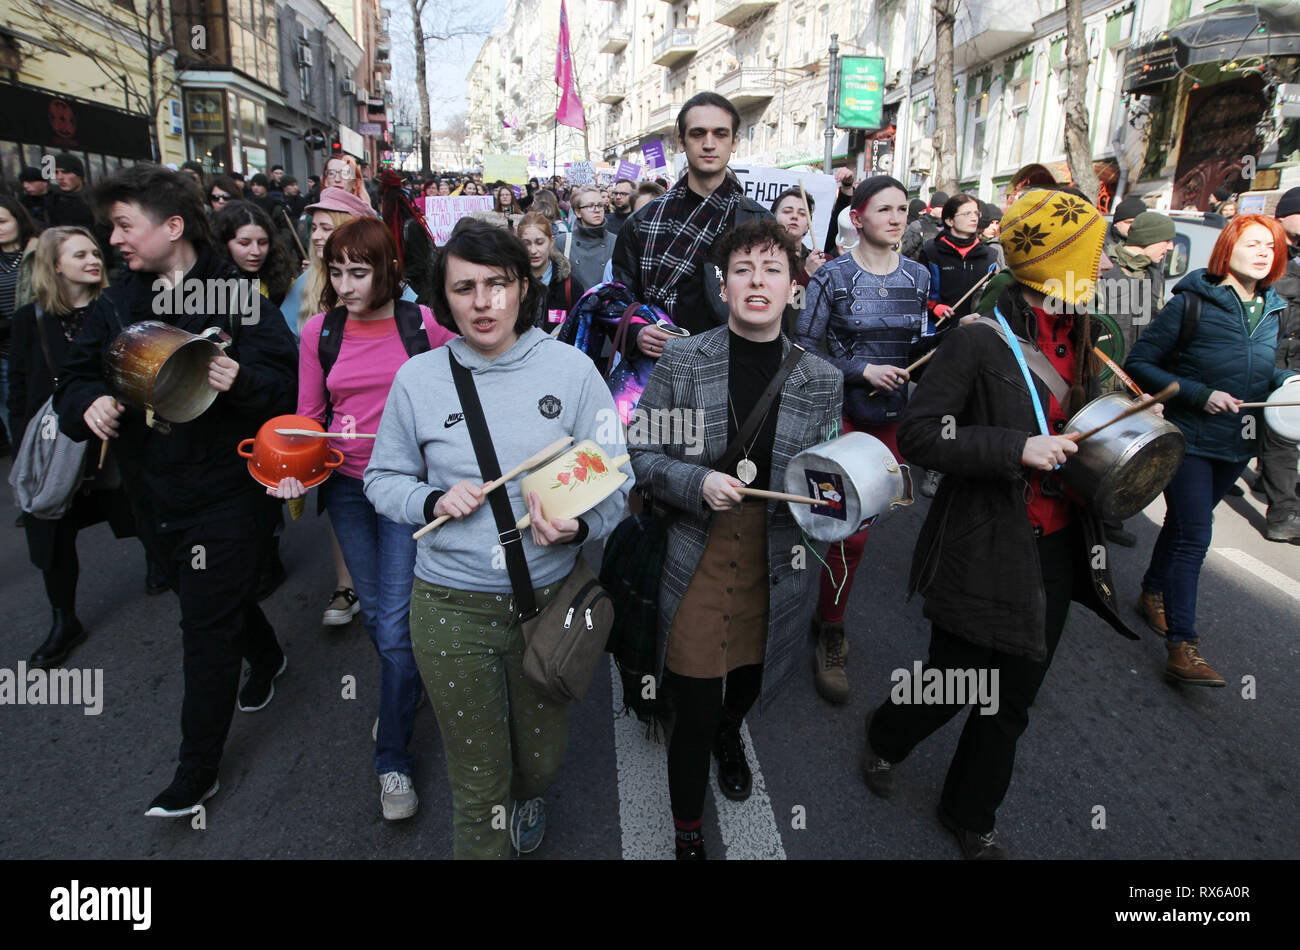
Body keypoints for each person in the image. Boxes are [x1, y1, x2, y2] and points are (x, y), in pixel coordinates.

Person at [862, 187, 1141, 859]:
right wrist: (1014, 447)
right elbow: (923, 436)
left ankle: (971, 812)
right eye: (1093, 254)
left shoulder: (1090, 333)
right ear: (1051, 259)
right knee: (955, 680)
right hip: (984, 539)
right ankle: (886, 735)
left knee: (1011, 699)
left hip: (1058, 543)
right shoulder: (979, 340)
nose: (1106, 268)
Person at [363, 219, 631, 858]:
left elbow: (615, 481)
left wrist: (581, 524)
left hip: (550, 601)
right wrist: (428, 497)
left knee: (538, 763)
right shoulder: (418, 380)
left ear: (523, 287)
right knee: (479, 782)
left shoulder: (571, 371)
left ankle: (531, 793)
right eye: (464, 288)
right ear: (443, 297)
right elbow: (380, 478)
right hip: (450, 608)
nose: (482, 304)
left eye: (497, 284)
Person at [54, 163, 298, 817]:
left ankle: (197, 772)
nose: (115, 241)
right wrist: (89, 406)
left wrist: (239, 379)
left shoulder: (237, 296)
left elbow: (286, 384)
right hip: (153, 492)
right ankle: (269, 654)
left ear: (173, 226)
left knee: (203, 624)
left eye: (125, 225)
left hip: (225, 487)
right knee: (207, 599)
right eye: (111, 228)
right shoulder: (118, 303)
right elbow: (74, 378)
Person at [630, 218, 842, 859]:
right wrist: (696, 482)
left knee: (747, 681)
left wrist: (858, 496)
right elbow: (641, 449)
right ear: (722, 286)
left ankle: (732, 729)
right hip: (696, 552)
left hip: (776, 559)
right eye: (742, 270)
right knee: (690, 703)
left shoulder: (822, 377)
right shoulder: (685, 359)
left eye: (772, 270)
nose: (757, 282)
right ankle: (688, 832)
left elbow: (830, 481)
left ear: (793, 287)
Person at [268, 217, 455, 820]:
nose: (345, 284)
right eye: (337, 271)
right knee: (376, 615)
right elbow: (307, 418)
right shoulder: (318, 332)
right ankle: (407, 684)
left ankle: (392, 759)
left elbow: (465, 390)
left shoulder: (420, 324)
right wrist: (292, 469)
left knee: (396, 627)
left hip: (405, 491)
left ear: (387, 271)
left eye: (359, 271)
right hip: (348, 490)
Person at [1126, 214, 1298, 684]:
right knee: (1195, 536)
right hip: (1188, 438)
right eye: (1254, 243)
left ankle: (1151, 593)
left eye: (1272, 245)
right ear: (1228, 248)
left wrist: (1289, 386)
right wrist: (1199, 394)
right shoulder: (1193, 301)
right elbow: (1139, 361)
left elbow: (1269, 372)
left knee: (1183, 525)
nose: (1264, 252)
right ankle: (1183, 646)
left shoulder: (1274, 307)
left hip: (1238, 443)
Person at [794, 176, 931, 704]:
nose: (898, 218)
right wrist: (862, 369)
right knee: (831, 527)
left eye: (903, 209)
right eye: (885, 210)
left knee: (857, 533)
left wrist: (954, 337)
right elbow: (803, 347)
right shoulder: (832, 276)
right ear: (858, 218)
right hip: (841, 420)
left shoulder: (919, 276)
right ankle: (806, 620)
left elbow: (920, 343)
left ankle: (829, 623)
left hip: (892, 425)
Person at [9, 226, 137, 668]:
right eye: (80, 254)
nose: (93, 260)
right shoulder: (32, 318)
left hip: (113, 437)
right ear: (55, 264)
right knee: (51, 525)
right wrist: (25, 440)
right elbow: (21, 384)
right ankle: (63, 619)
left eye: (96, 252)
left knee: (136, 505)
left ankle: (163, 567)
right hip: (58, 441)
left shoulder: (116, 307)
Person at [612, 92, 772, 345]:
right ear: (682, 142)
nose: (709, 144)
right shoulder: (642, 222)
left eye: (720, 134)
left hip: (734, 364)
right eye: (698, 134)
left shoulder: (760, 222)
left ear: (734, 142)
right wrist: (637, 331)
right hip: (661, 364)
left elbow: (777, 300)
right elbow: (618, 298)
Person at [1260, 190, 1300, 542]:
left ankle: (1281, 502)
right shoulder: (1266, 252)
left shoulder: (1296, 255)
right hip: (1265, 357)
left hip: (1289, 361)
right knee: (1281, 437)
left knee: (1281, 437)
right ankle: (1283, 515)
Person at [916, 193, 1002, 323]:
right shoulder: (931, 252)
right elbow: (916, 292)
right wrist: (934, 307)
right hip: (939, 330)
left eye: (976, 213)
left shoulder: (990, 255)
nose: (974, 218)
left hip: (978, 330)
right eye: (967, 214)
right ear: (949, 220)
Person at [1, 195, 42, 455]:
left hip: (36, 347)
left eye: (3, 221)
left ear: (19, 220)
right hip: (3, 353)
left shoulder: (39, 252)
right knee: (11, 412)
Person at [211, 199, 296, 307]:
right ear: (224, 244)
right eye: (244, 243)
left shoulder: (285, 283)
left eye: (263, 243)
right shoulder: (205, 286)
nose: (256, 251)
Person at [516, 212, 586, 334]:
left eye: (539, 242)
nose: (533, 250)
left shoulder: (570, 287)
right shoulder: (510, 283)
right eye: (526, 243)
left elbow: (578, 333)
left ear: (551, 241)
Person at [566, 185, 617, 291]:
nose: (597, 210)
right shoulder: (564, 242)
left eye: (600, 205)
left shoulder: (615, 242)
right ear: (578, 212)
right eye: (590, 206)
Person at [899, 191, 947, 259]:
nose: (943, 210)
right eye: (941, 207)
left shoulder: (949, 226)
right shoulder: (918, 226)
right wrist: (918, 237)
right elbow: (904, 251)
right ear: (932, 208)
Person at [1105, 195, 1147, 259]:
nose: (1134, 226)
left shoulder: (1149, 245)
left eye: (1139, 223)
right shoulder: (1100, 243)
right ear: (1116, 223)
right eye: (1129, 222)